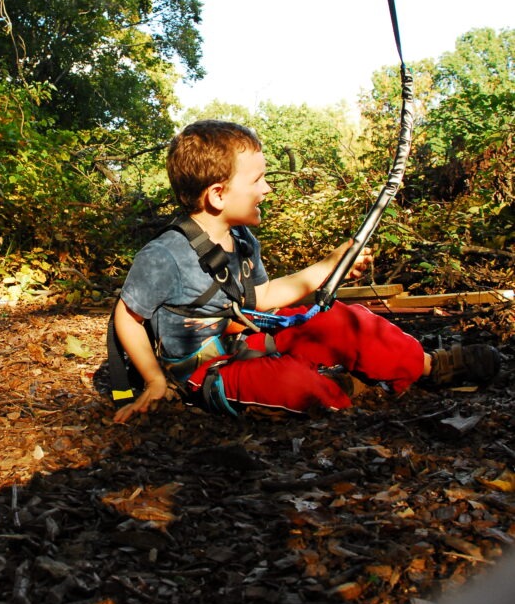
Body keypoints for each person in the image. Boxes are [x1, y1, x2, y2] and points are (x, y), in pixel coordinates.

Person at [113, 120, 500, 425]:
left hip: (249, 338)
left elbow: (261, 298)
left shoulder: (242, 239)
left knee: (344, 321)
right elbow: (127, 317)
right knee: (293, 386)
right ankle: (343, 388)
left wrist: (330, 265)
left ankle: (427, 367)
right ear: (217, 194)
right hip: (203, 370)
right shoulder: (164, 254)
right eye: (257, 180)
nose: (267, 188)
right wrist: (155, 379)